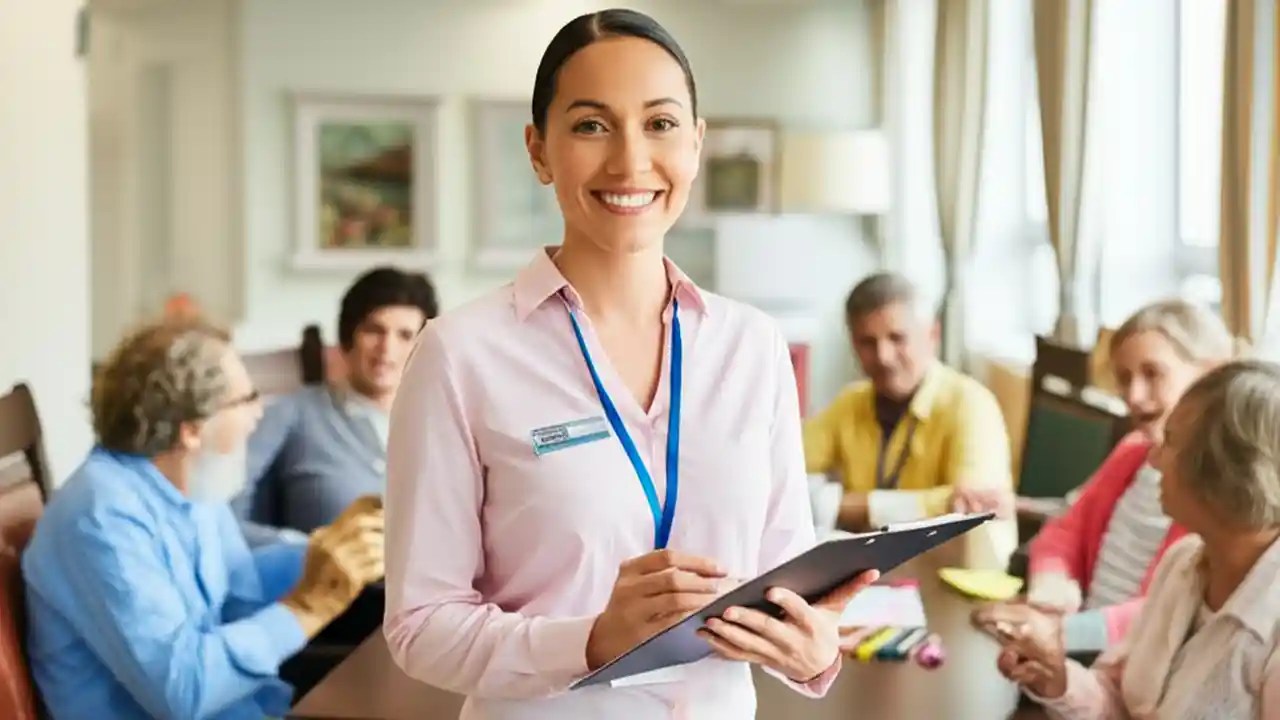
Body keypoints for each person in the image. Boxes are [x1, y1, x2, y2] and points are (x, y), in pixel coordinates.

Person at [381, 9, 875, 719]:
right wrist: (589, 640)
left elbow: (784, 578)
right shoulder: (460, 355)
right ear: (539, 150)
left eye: (661, 124)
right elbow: (419, 626)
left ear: (697, 145)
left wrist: (814, 651)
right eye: (590, 125)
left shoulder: (752, 347)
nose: (630, 161)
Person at [22, 318, 385, 720]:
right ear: (192, 431)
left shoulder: (187, 484)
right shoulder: (101, 518)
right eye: (246, 399)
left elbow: (238, 587)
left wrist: (332, 548)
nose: (259, 412)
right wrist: (310, 606)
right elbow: (185, 689)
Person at [996, 359, 1280, 718]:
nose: (1155, 458)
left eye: (1172, 442)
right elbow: (1123, 701)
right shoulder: (1183, 562)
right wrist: (1059, 679)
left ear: (1228, 470)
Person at [974, 300, 1234, 654]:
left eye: (1152, 373)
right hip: (1079, 649)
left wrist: (1064, 632)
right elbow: (1068, 526)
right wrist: (1052, 584)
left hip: (1131, 664)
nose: (1134, 396)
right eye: (1124, 379)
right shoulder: (1133, 451)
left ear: (1210, 375)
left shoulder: (1222, 487)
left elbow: (1177, 610)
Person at [803, 273, 1015, 553]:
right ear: (853, 344)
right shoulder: (850, 402)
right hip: (880, 566)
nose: (883, 357)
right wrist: (932, 502)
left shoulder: (971, 404)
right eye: (867, 342)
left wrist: (840, 505)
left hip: (958, 572)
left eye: (897, 338)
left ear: (932, 335)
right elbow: (781, 470)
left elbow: (968, 513)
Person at [234, 265, 437, 543]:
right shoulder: (293, 414)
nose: (386, 350)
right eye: (374, 330)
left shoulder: (442, 424)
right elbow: (220, 515)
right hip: (325, 581)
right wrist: (305, 549)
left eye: (405, 335)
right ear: (348, 336)